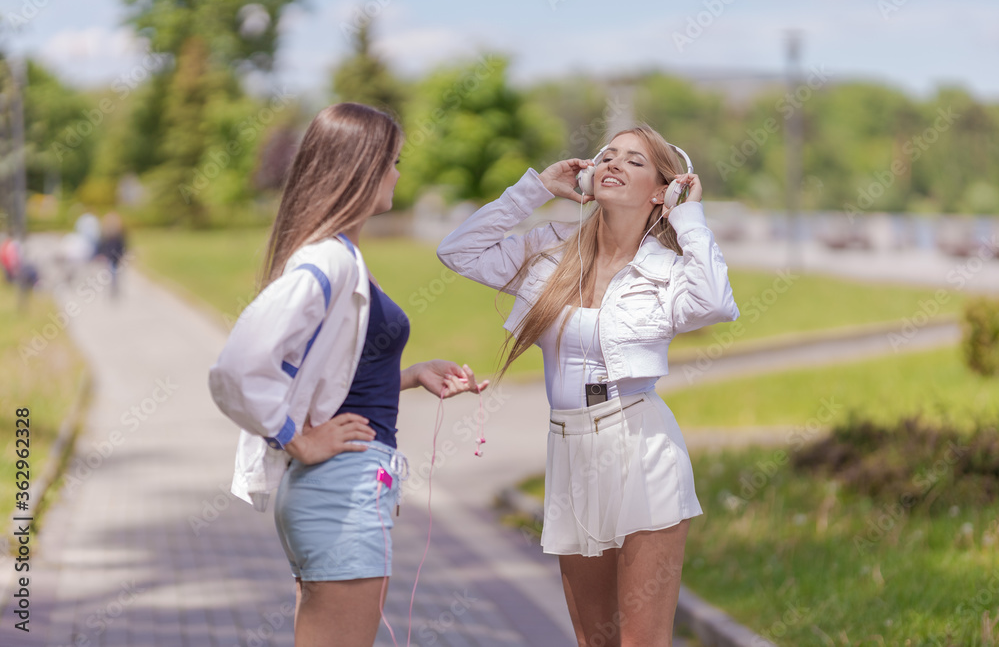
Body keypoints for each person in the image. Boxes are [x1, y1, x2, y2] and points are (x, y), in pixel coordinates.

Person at [437, 124, 739, 646]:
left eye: (635, 161)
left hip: (642, 446)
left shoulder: (667, 271)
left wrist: (687, 216)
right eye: (608, 155)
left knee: (641, 641)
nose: (614, 164)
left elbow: (716, 303)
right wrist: (532, 190)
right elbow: (459, 251)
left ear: (660, 190)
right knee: (593, 640)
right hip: (570, 447)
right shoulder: (550, 252)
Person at [208, 103, 487, 647]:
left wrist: (407, 376)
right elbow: (237, 367)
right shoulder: (328, 261)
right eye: (393, 161)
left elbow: (333, 366)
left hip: (348, 487)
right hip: (338, 489)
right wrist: (298, 440)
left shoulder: (344, 255)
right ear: (361, 167)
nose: (398, 174)